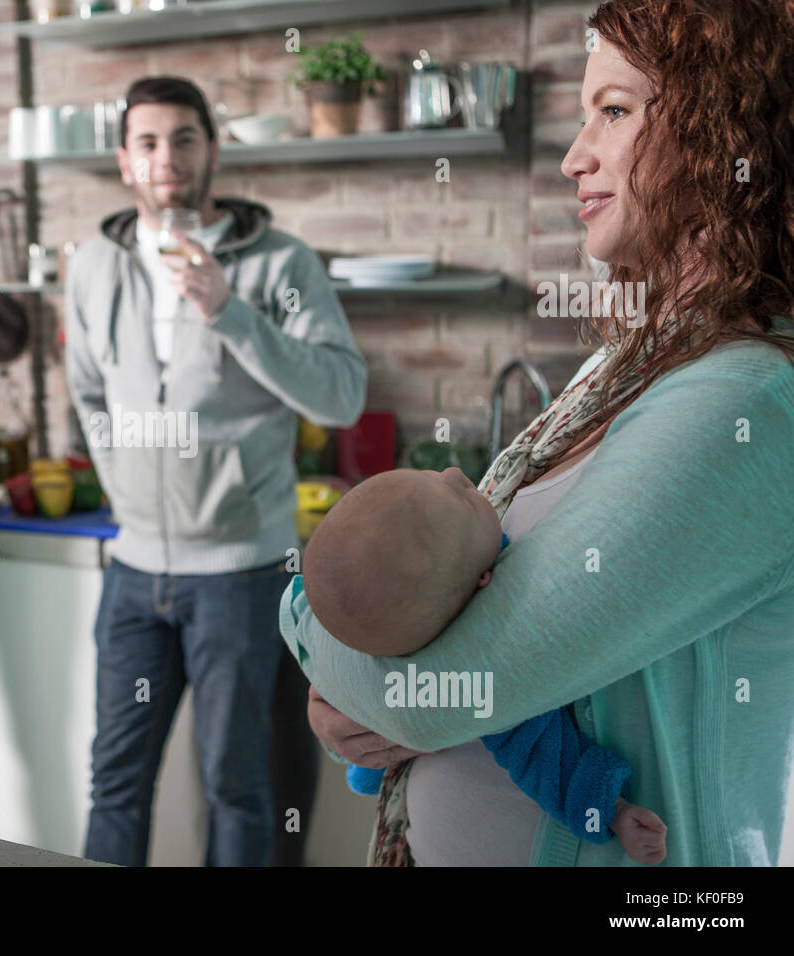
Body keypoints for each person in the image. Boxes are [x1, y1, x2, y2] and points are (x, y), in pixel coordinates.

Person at [283, 0, 794, 866]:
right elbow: (427, 643)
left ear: (726, 129)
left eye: (615, 111)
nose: (574, 156)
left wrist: (312, 635)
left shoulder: (745, 401)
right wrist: (354, 695)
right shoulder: (622, 368)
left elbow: (444, 693)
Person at [65, 75, 367, 866]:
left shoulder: (281, 264)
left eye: (185, 138)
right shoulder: (94, 263)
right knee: (114, 780)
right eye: (148, 142)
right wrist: (126, 474)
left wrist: (230, 311)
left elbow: (341, 395)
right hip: (132, 571)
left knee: (238, 785)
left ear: (214, 149)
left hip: (240, 573)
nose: (167, 158)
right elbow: (87, 387)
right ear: (125, 161)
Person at [303, 468, 668, 864]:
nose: (456, 471)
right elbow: (547, 758)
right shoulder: (482, 671)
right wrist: (610, 811)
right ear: (483, 579)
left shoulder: (396, 623)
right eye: (459, 493)